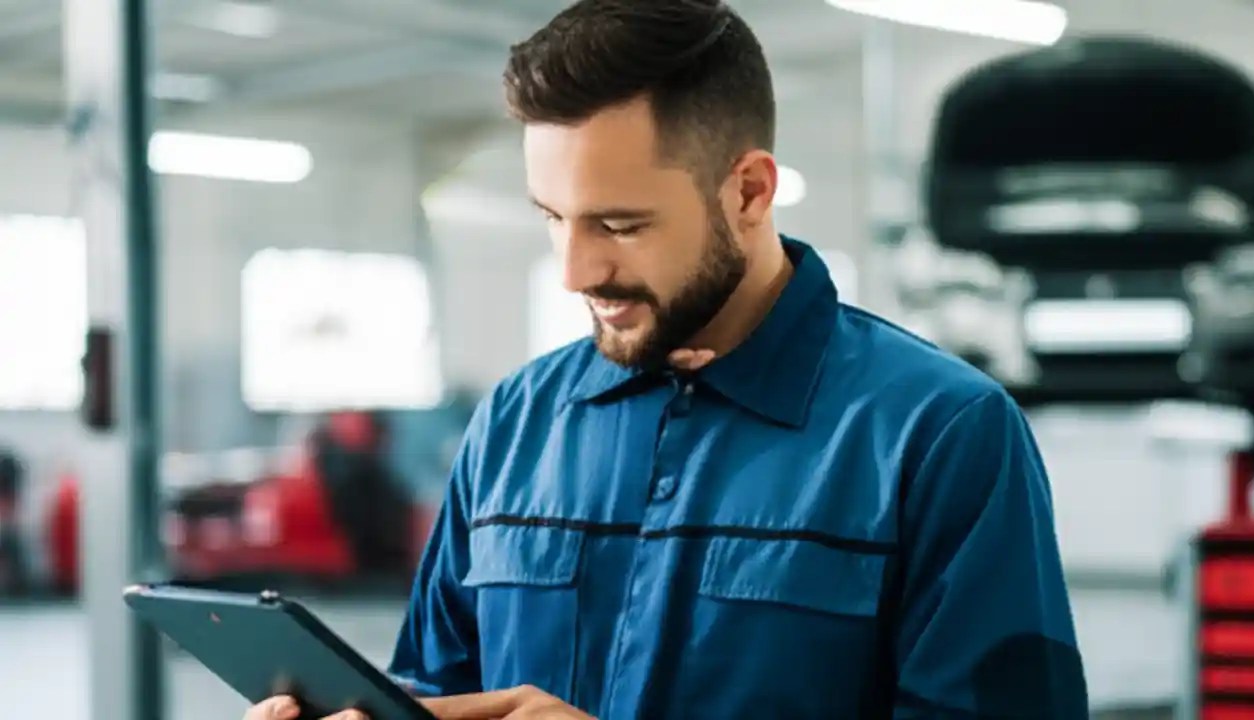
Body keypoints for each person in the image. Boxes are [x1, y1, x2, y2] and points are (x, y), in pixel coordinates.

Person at [247, 0, 1087, 717]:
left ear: (750, 191)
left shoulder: (938, 435)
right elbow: (435, 685)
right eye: (553, 218)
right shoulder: (516, 422)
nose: (576, 272)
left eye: (618, 225)